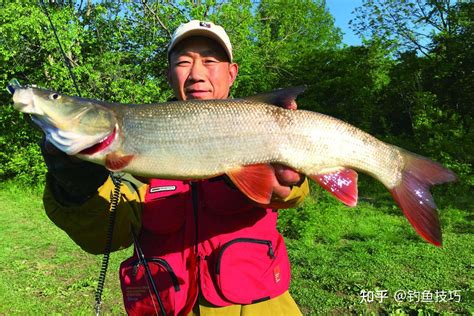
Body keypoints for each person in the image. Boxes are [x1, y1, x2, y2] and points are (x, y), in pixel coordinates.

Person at [42, 20, 309, 315]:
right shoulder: (136, 145)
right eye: (183, 62)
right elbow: (105, 235)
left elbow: (293, 195)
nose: (196, 74)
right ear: (168, 74)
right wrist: (75, 184)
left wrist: (287, 181)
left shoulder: (260, 124)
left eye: (210, 61)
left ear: (232, 73)